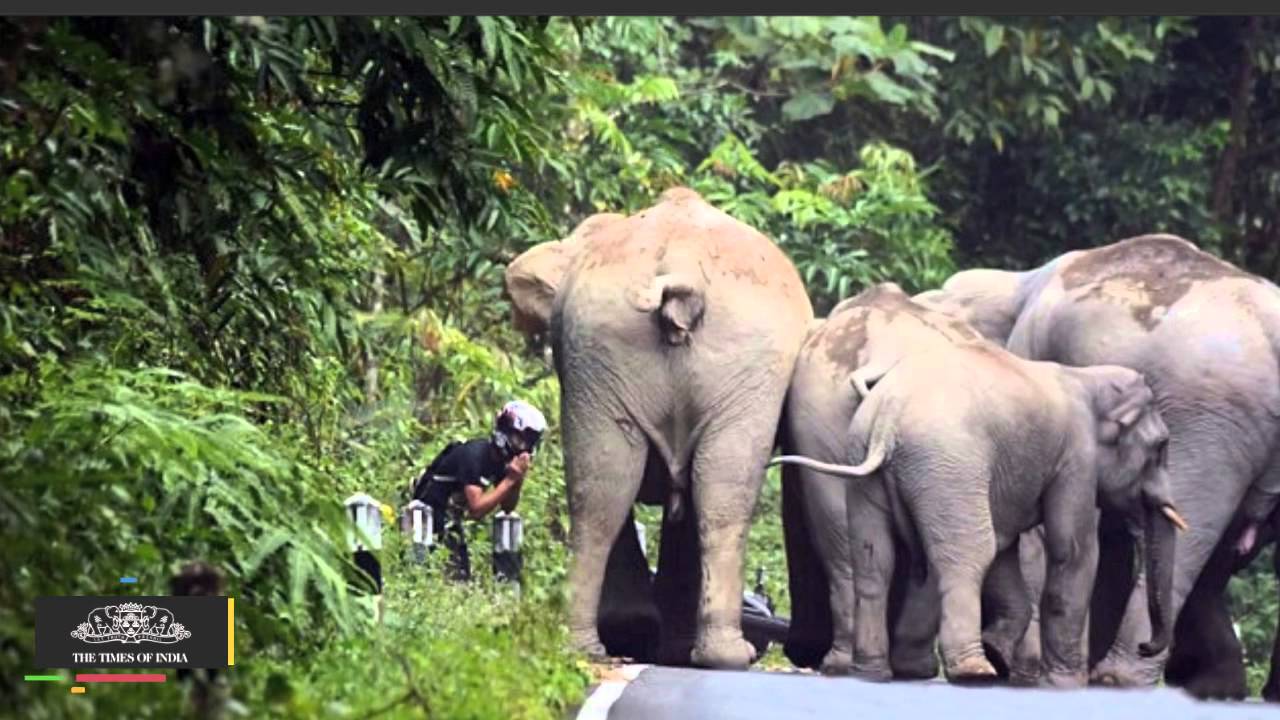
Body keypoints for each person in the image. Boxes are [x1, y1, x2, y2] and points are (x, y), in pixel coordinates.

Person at [411, 400, 546, 581]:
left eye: (528, 443)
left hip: (449, 523)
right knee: (422, 578)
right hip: (424, 519)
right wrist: (510, 480)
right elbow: (476, 509)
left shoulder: (499, 462)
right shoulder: (474, 455)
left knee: (460, 582)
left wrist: (517, 479)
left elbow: (507, 507)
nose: (524, 448)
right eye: (520, 440)